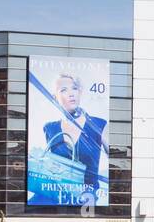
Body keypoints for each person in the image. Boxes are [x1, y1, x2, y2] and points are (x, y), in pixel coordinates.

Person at [43, 72, 108, 202]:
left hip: (87, 199)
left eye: (74, 88)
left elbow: (119, 161)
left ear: (80, 92)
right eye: (64, 90)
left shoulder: (99, 125)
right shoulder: (49, 128)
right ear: (55, 97)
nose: (71, 94)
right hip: (56, 198)